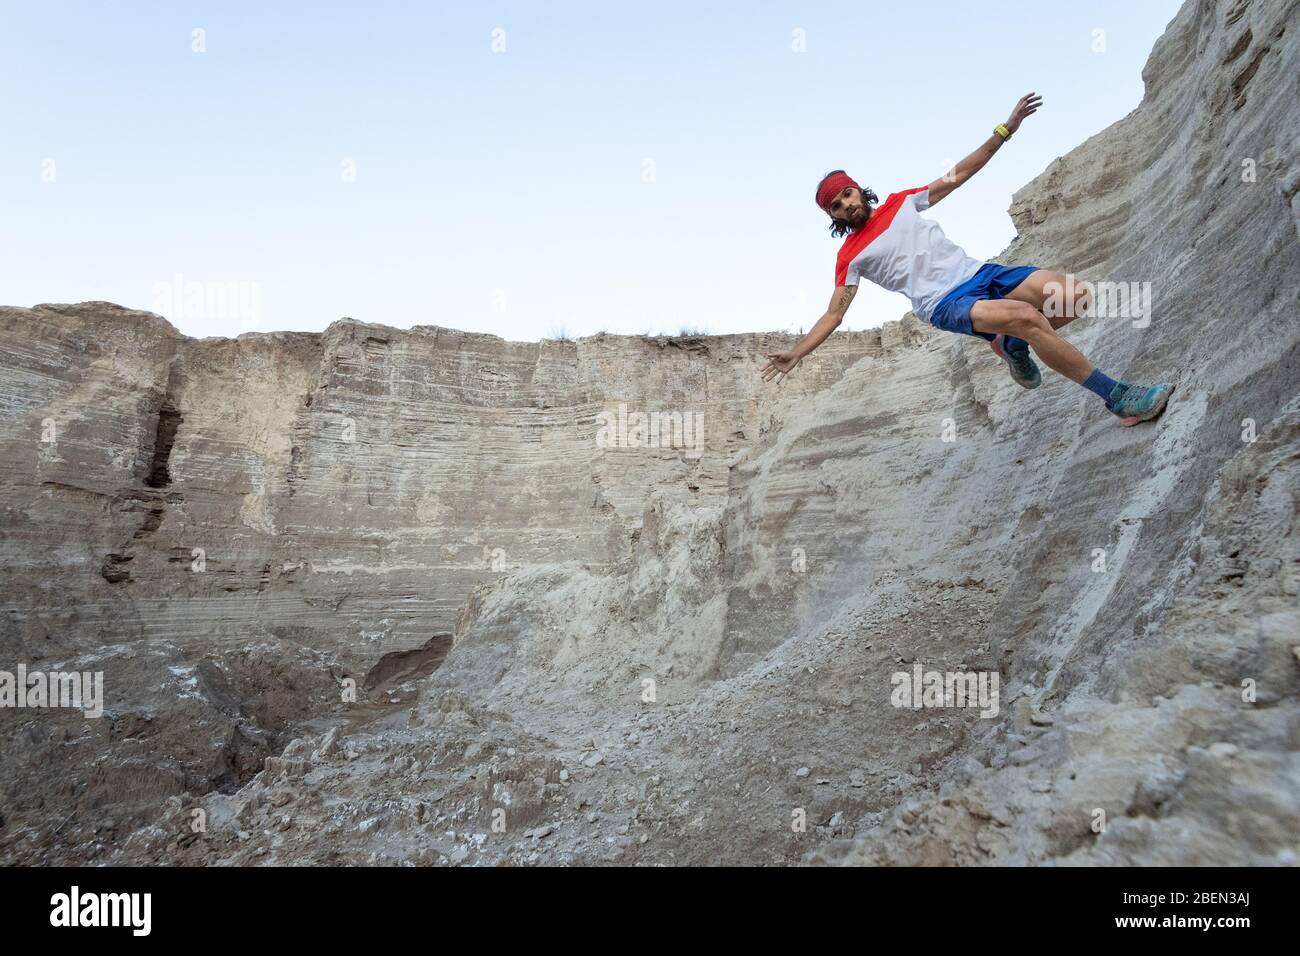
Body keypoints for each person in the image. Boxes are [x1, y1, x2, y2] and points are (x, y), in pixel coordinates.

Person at [761, 93, 1173, 426]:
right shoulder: (849, 255)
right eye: (835, 205)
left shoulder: (902, 203)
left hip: (980, 273)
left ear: (857, 190)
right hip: (943, 302)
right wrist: (798, 352)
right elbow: (834, 314)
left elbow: (959, 174)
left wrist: (1004, 131)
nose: (845, 205)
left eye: (847, 194)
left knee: (1075, 297)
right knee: (1028, 318)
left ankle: (1011, 346)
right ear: (832, 216)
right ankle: (1119, 398)